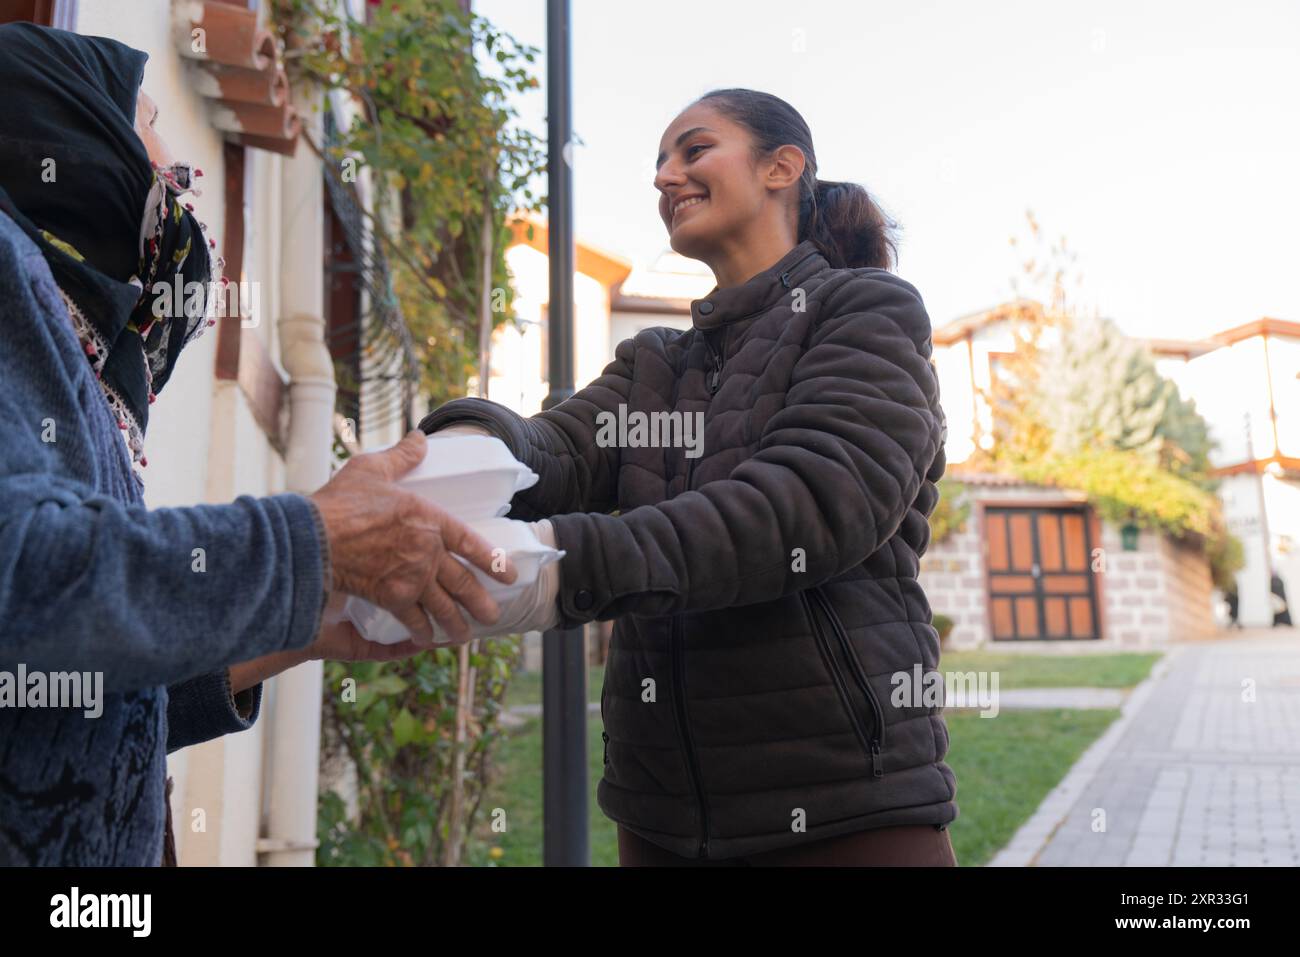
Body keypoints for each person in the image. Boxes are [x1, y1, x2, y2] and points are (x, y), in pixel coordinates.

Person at [0, 23, 514, 866]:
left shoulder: (82, 351)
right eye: (151, 114)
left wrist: (307, 623)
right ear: (73, 124)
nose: (181, 172)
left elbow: (75, 688)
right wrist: (312, 539)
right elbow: (23, 573)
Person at [423, 89, 957, 865]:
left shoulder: (865, 312)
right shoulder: (656, 363)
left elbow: (807, 506)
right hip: (661, 818)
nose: (665, 176)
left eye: (693, 150)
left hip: (845, 807)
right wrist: (461, 442)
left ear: (783, 167)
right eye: (659, 163)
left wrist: (557, 566)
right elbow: (553, 455)